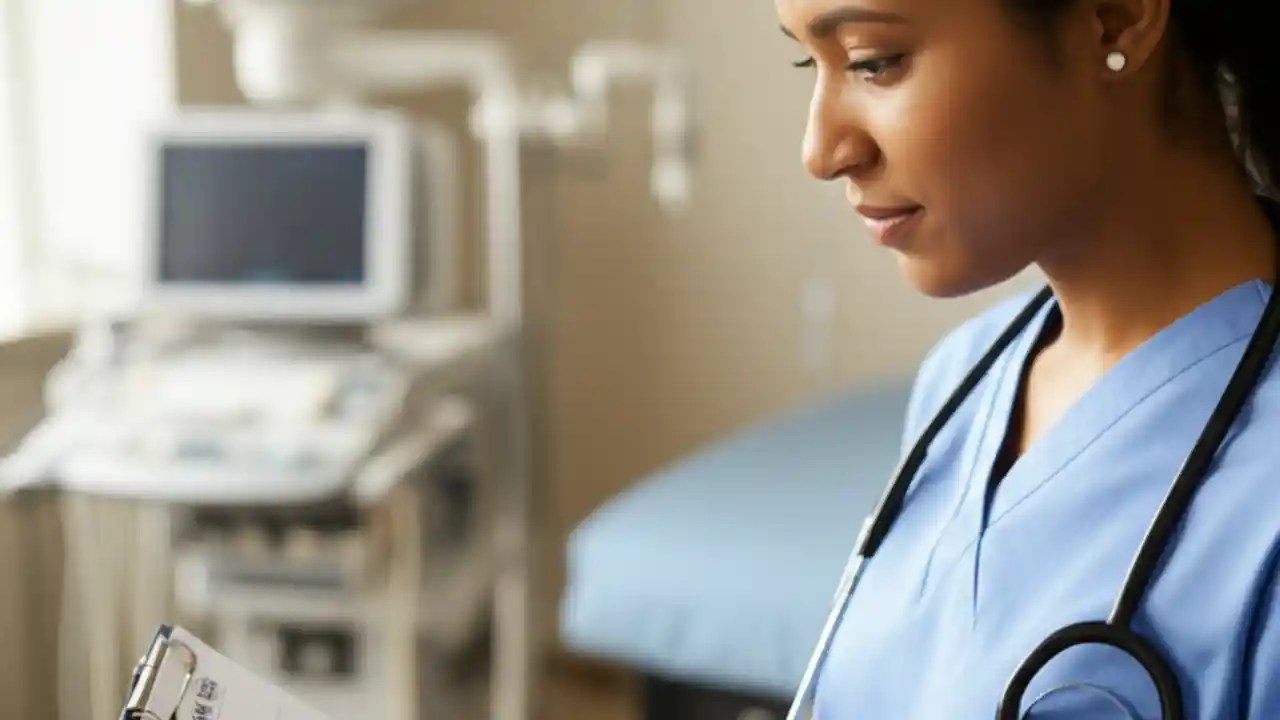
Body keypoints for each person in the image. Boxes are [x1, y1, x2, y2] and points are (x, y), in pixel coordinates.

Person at [776, 0, 1280, 717]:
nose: (822, 151)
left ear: (1115, 18)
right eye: (807, 62)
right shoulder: (963, 378)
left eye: (871, 62)